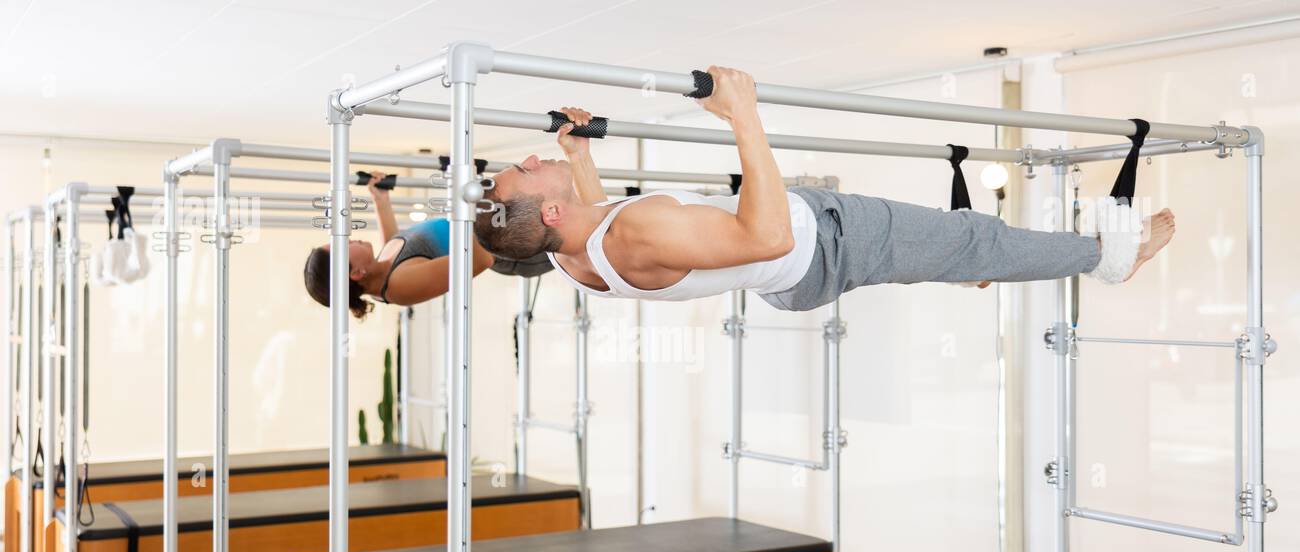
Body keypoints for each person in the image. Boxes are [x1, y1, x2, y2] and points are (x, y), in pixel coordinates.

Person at [472, 73, 1175, 312]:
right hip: (815, 244)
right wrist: (743, 114)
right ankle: (1109, 255)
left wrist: (577, 152)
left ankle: (965, 265)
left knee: (955, 251)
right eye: (524, 171)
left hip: (794, 276)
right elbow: (769, 235)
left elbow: (598, 218)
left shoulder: (566, 251)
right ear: (550, 208)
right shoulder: (638, 233)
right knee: (973, 237)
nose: (531, 158)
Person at [303, 168, 551, 318]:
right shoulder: (399, 286)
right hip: (519, 248)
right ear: (356, 273)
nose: (350, 238)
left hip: (505, 225)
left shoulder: (382, 264)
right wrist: (466, 200)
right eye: (343, 246)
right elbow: (479, 260)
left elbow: (395, 241)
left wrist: (381, 199)